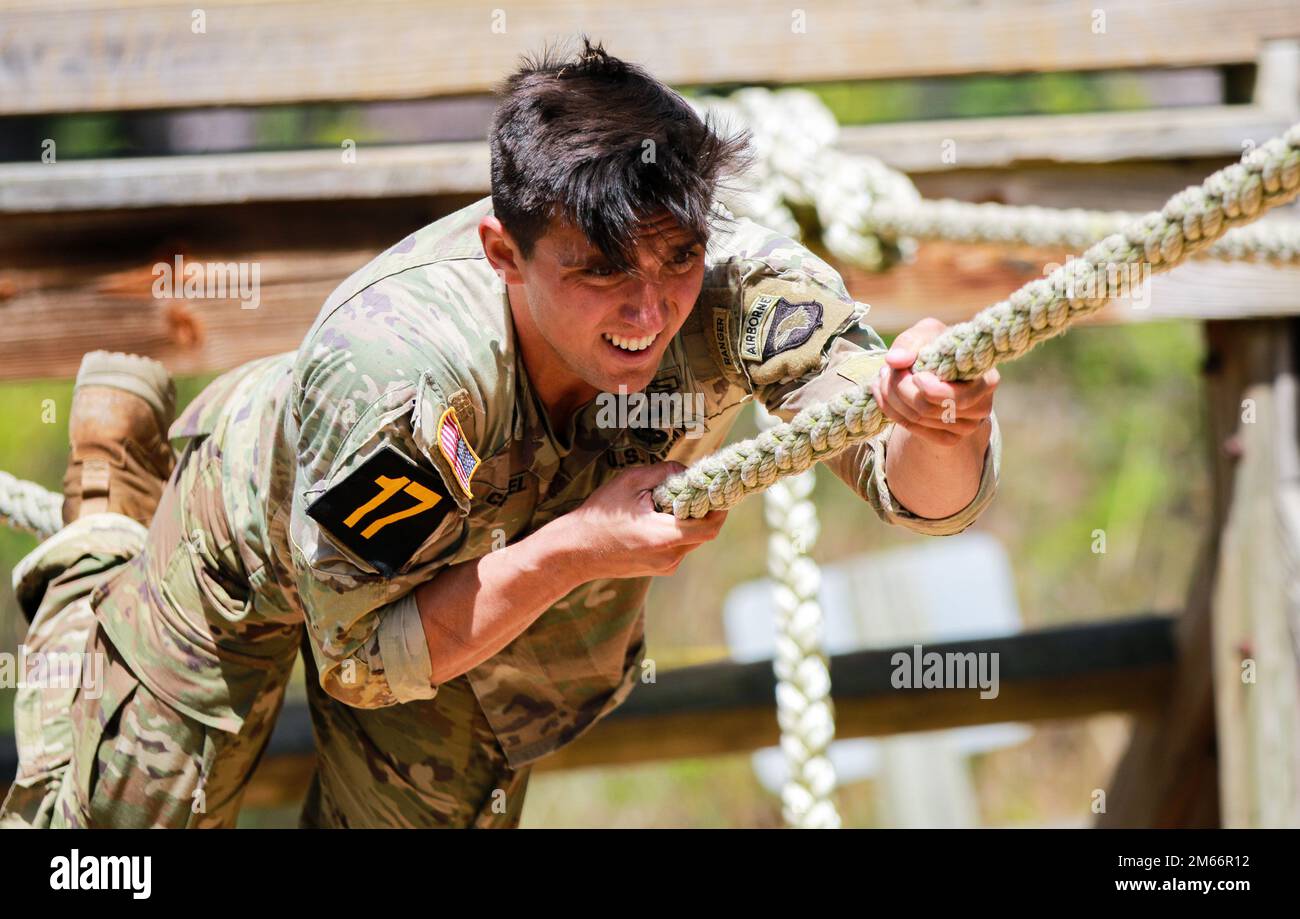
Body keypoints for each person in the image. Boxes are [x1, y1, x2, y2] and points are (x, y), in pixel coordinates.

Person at [1, 38, 1000, 829]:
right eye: (602, 270)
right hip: (252, 547)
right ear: (502, 251)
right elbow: (356, 654)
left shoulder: (744, 287)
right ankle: (102, 527)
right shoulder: (403, 372)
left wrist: (944, 417)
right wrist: (581, 547)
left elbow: (915, 491)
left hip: (467, 610)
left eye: (676, 259)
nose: (648, 311)